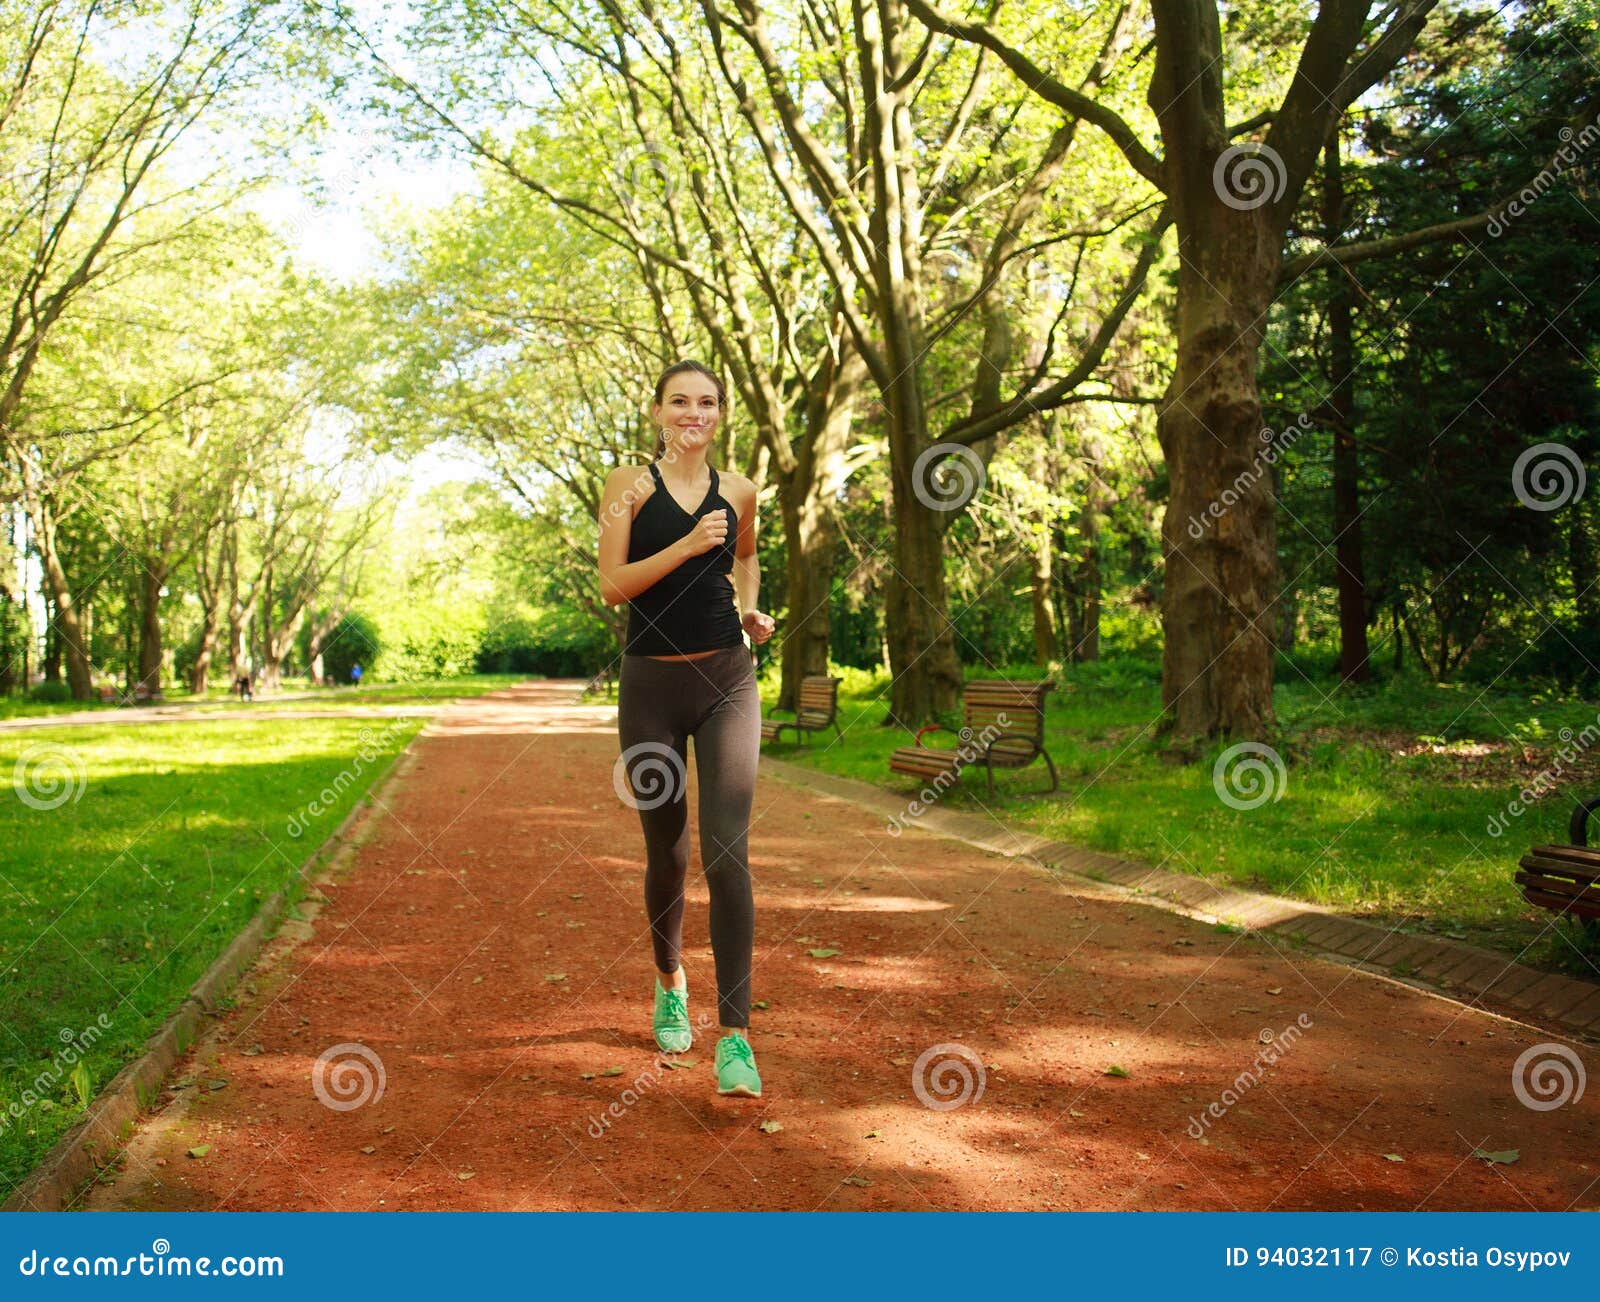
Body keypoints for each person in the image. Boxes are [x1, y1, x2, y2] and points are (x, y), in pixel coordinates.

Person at [597, 360, 776, 1098]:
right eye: (679, 402)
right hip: (650, 687)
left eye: (705, 402)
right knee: (667, 854)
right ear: (656, 412)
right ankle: (670, 980)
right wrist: (684, 546)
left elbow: (747, 556)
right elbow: (613, 585)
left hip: (728, 682)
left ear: (720, 414)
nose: (692, 413)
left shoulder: (740, 491)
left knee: (727, 852)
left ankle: (734, 1038)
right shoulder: (626, 487)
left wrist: (747, 612)